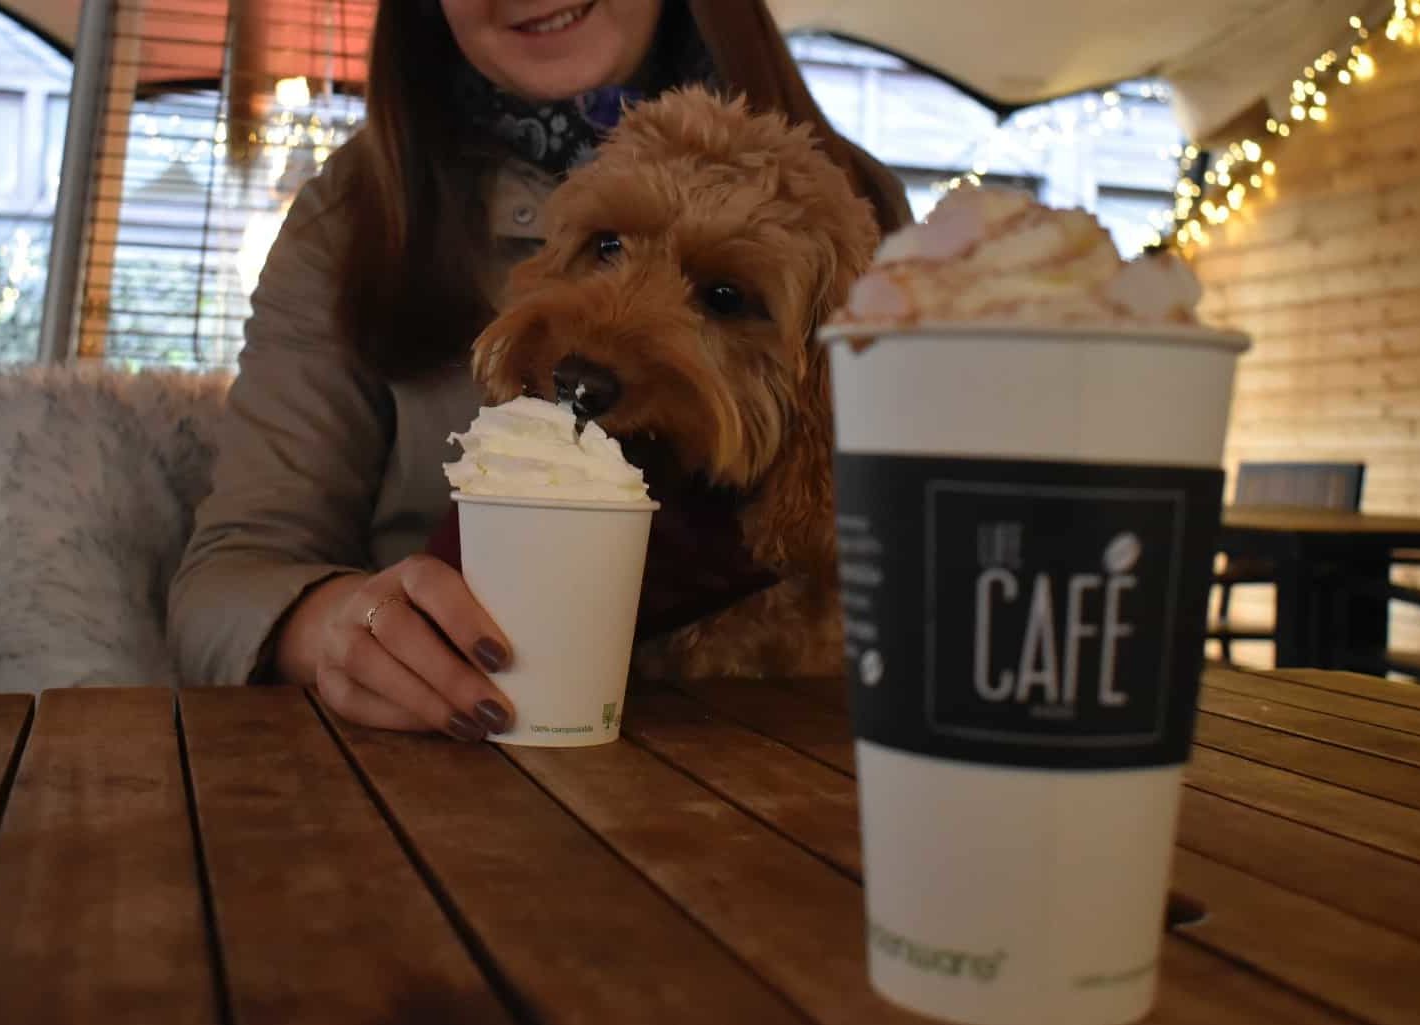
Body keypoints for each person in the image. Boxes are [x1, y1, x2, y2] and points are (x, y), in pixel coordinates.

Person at [167, 0, 910, 737]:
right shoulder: (357, 210)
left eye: (721, 297)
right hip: (436, 757)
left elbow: (903, 561)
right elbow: (231, 576)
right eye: (606, 249)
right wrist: (341, 627)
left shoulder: (860, 207)